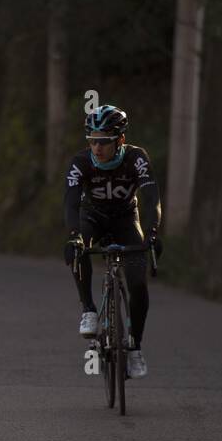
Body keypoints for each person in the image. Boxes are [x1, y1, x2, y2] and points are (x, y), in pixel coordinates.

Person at [63, 104, 161, 378]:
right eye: (92, 141)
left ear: (120, 140)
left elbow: (152, 199)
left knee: (138, 284)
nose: (97, 148)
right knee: (78, 246)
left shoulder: (136, 159)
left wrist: (153, 234)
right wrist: (73, 236)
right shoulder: (80, 163)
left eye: (104, 142)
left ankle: (135, 348)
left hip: (126, 219)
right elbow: (70, 204)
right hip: (92, 216)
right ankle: (89, 310)